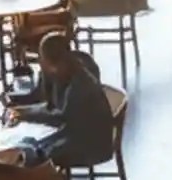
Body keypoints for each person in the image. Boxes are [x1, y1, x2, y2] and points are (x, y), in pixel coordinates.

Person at [7, 33, 113, 171]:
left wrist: (24, 114)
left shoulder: (79, 86)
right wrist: (22, 110)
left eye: (43, 60)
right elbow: (52, 108)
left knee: (33, 156)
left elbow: (59, 117)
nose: (41, 64)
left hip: (90, 145)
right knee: (28, 146)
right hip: (76, 134)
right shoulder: (68, 73)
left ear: (55, 64)